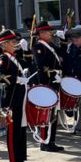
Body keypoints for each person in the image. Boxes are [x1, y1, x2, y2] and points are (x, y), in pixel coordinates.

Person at [0, 28, 35, 162]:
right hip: (11, 101)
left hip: (20, 99)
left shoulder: (15, 57)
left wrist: (27, 50)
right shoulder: (4, 59)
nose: (15, 43)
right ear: (4, 44)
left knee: (21, 130)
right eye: (13, 41)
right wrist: (16, 79)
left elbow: (30, 65)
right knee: (13, 132)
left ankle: (21, 160)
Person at [32, 21, 66, 152]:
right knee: (45, 114)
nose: (51, 33)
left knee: (53, 113)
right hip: (47, 84)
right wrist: (52, 77)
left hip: (55, 82)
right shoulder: (38, 47)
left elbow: (63, 54)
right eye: (48, 31)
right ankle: (44, 142)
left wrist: (63, 40)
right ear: (41, 33)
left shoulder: (50, 45)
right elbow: (41, 66)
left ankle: (51, 141)